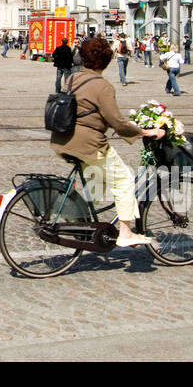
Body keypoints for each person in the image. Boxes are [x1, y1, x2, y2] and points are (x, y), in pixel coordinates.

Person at [49, 35, 164, 248]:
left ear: (83, 59)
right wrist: (145, 132)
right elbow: (117, 122)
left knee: (100, 176)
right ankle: (126, 232)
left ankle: (89, 219)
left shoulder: (73, 79)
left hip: (63, 139)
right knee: (124, 179)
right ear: (106, 61)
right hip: (87, 144)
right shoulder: (103, 86)